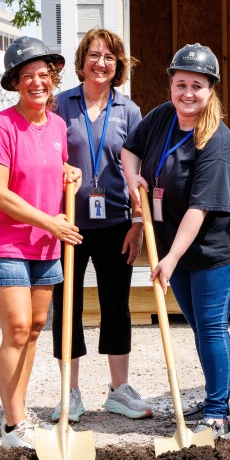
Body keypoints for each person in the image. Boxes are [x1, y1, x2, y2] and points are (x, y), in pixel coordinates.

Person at [122, 43, 230, 440]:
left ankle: (219, 413)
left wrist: (170, 258)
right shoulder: (163, 117)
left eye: (196, 86)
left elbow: (199, 210)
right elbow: (130, 151)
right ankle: (216, 397)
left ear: (211, 89)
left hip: (216, 250)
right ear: (171, 85)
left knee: (212, 326)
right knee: (199, 326)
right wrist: (135, 181)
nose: (187, 93)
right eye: (180, 84)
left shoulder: (218, 145)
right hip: (174, 245)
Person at [0, 36, 82, 449]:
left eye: (43, 75)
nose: (37, 83)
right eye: (27, 77)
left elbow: (43, 165)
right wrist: (51, 223)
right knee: (17, 327)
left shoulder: (56, 125)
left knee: (36, 329)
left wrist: (66, 170)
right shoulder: (1, 126)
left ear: (53, 79)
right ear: (16, 84)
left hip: (44, 243)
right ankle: (12, 424)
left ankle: (19, 409)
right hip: (4, 242)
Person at [49, 28, 151, 423]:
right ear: (82, 61)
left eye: (109, 57)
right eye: (94, 55)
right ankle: (69, 392)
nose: (101, 63)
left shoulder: (129, 111)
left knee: (116, 305)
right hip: (69, 224)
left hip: (115, 223)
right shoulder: (61, 105)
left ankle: (119, 390)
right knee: (68, 306)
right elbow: (48, 154)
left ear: (118, 65)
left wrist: (138, 222)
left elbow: (137, 171)